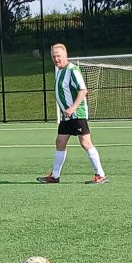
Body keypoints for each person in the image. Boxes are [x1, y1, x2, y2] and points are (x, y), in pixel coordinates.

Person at [36, 43, 108, 185]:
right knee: (60, 142)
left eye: (59, 56)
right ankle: (55, 176)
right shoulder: (60, 71)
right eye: (54, 57)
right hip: (67, 117)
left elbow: (83, 90)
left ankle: (100, 175)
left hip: (77, 115)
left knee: (85, 143)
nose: (56, 59)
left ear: (66, 55)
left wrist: (72, 108)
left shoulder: (72, 70)